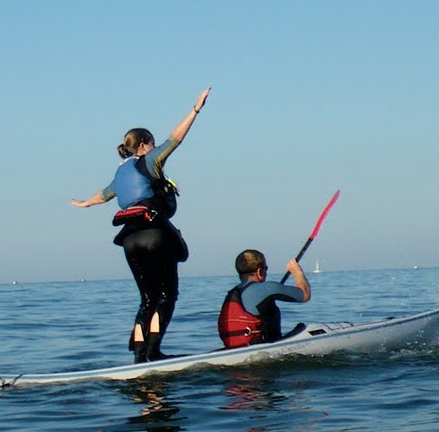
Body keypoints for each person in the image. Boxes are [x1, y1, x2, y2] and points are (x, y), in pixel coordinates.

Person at [71, 87, 211, 362]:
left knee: (147, 299)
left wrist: (84, 204)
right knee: (166, 296)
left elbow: (103, 195)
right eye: (152, 142)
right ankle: (154, 352)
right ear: (145, 143)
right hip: (155, 234)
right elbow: (176, 139)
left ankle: (139, 357)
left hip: (129, 240)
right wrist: (195, 110)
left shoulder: (120, 171)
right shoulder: (149, 161)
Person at [218, 250, 311, 348]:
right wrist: (297, 272)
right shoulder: (267, 288)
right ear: (259, 272)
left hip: (234, 348)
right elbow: (305, 295)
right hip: (262, 347)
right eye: (266, 268)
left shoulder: (231, 294)